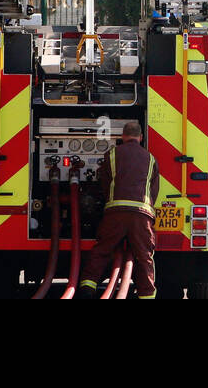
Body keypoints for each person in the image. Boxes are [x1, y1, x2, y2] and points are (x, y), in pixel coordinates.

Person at [78, 121, 160, 298]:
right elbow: (154, 191)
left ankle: (87, 286)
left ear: (122, 136)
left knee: (102, 250)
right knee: (144, 256)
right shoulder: (150, 158)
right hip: (141, 215)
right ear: (141, 137)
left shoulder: (112, 154)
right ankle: (146, 294)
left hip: (115, 213)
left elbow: (105, 184)